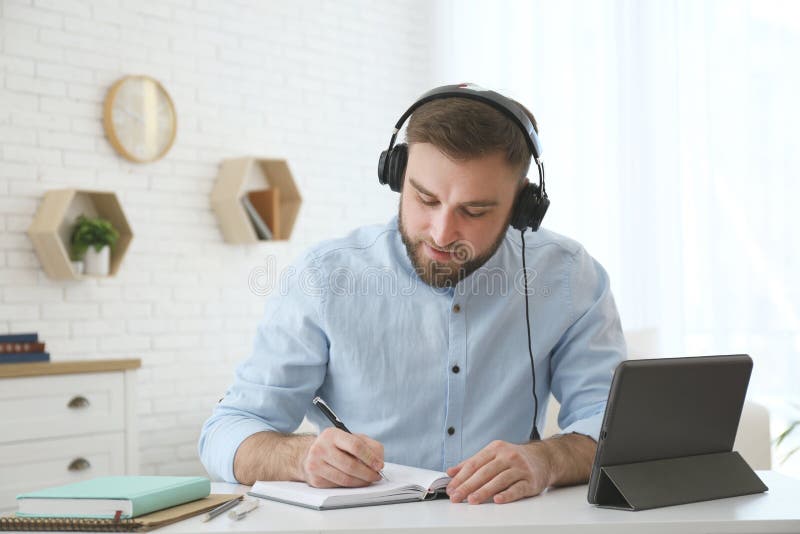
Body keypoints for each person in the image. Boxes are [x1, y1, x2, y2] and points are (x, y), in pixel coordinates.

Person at [199, 84, 626, 505]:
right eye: (425, 198)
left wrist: (547, 459)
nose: (441, 232)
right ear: (396, 174)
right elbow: (227, 430)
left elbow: (613, 430)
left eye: (474, 211)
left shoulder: (570, 275)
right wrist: (301, 456)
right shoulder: (323, 277)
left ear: (522, 206)